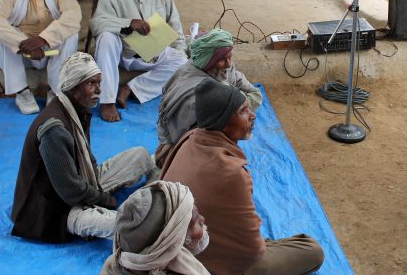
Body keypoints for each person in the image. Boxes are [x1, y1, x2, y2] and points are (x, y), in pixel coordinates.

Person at [161, 78, 324, 275]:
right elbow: (252, 251)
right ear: (222, 123)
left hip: (179, 251)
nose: (253, 116)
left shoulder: (189, 138)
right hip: (213, 263)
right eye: (243, 111)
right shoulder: (232, 172)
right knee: (312, 250)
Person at [11, 52, 158, 243]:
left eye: (99, 83)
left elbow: (88, 159)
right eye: (91, 84)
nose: (98, 90)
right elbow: (70, 191)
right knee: (131, 224)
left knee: (140, 155)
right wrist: (104, 200)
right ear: (72, 88)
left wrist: (96, 189)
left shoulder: (77, 110)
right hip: (56, 208)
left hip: (81, 183)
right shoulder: (54, 130)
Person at [90, 0, 187, 122]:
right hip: (124, 54)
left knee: (182, 63)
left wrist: (180, 52)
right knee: (106, 38)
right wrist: (128, 24)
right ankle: (107, 101)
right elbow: (96, 23)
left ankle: (130, 89)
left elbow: (175, 22)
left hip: (154, 53)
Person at [155, 28, 262, 167]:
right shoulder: (194, 95)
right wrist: (236, 103)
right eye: (223, 59)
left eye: (230, 57)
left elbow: (254, 93)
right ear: (209, 61)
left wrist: (238, 102)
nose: (229, 63)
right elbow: (200, 137)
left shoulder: (220, 69)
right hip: (179, 153)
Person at [101, 181, 211, 275]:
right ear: (169, 243)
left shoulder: (115, 262)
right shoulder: (191, 270)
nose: (203, 219)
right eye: (195, 221)